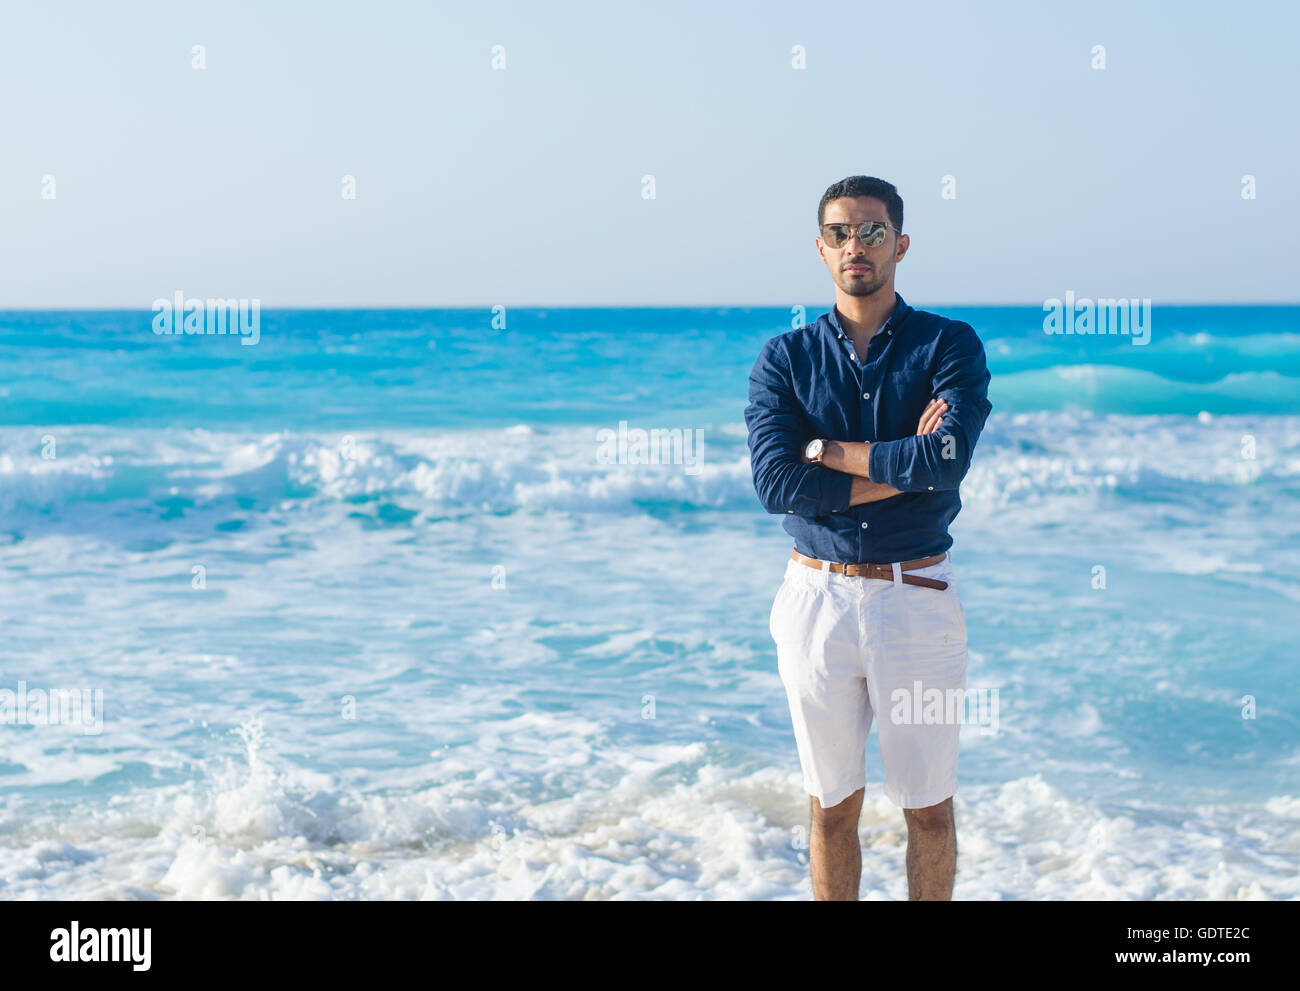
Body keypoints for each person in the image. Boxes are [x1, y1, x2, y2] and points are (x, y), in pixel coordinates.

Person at [744, 175, 993, 900]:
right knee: (830, 808)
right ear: (821, 250)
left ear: (901, 245)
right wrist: (904, 467)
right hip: (815, 601)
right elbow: (776, 486)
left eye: (873, 231)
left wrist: (826, 450)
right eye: (841, 232)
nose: (857, 245)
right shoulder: (784, 360)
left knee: (930, 810)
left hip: (915, 598)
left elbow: (947, 459)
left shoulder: (949, 344)